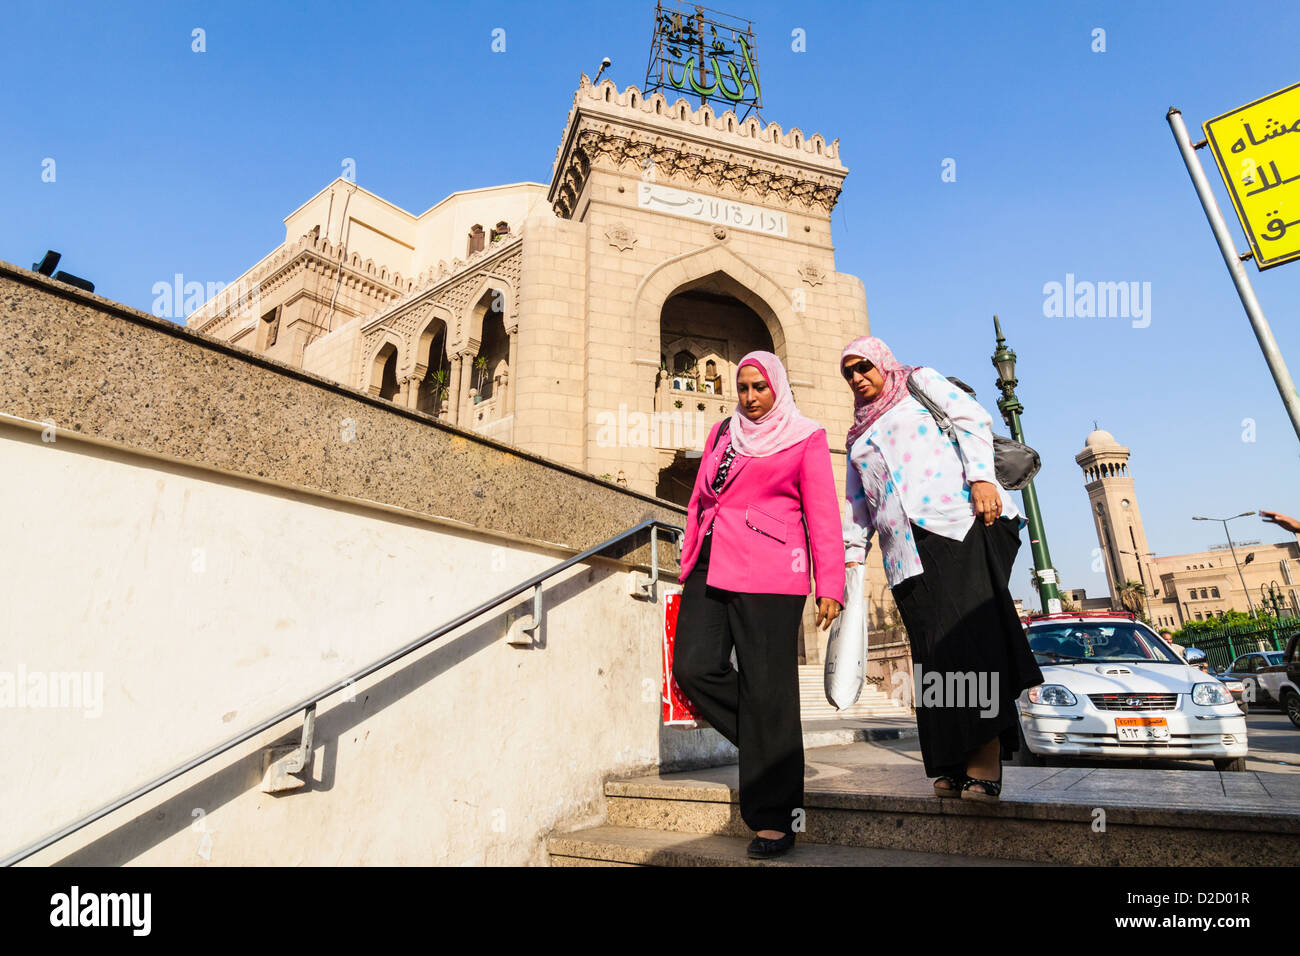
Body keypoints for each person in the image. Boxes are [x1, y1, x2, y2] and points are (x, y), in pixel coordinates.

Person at [839, 335, 1044, 803]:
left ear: (882, 363)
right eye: (849, 372)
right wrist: (852, 561)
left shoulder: (916, 382)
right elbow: (856, 506)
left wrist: (981, 479)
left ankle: (984, 764)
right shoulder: (857, 435)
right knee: (933, 658)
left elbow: (971, 417)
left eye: (863, 366)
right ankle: (950, 762)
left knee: (972, 645)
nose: (857, 377)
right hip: (903, 554)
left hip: (956, 526)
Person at [672, 350, 845, 859]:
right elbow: (703, 496)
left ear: (777, 388)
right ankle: (775, 747)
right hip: (710, 560)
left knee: (769, 688)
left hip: (772, 569)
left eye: (758, 388)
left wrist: (829, 582)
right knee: (694, 668)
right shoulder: (724, 432)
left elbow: (822, 511)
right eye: (742, 388)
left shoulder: (805, 436)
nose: (748, 398)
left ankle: (774, 818)